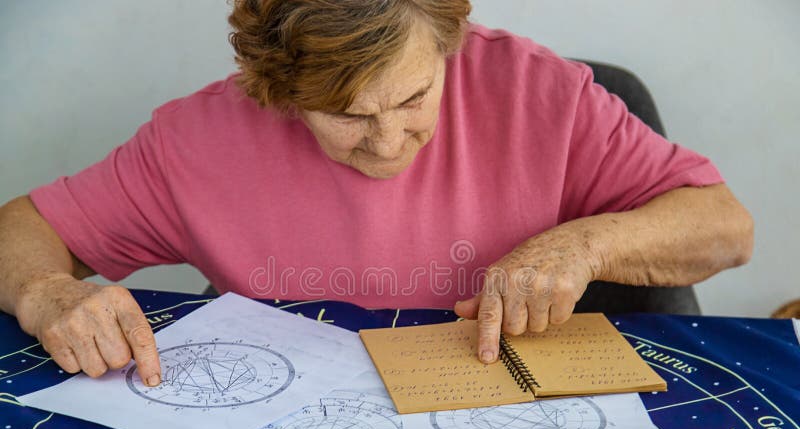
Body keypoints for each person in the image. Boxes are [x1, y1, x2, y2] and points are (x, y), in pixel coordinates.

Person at [0, 0, 753, 388]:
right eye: (347, 115)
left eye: (414, 98)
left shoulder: (539, 93)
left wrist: (584, 245)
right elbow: (26, 228)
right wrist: (44, 291)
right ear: (277, 89)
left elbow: (725, 226)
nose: (388, 144)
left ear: (450, 44)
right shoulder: (197, 141)